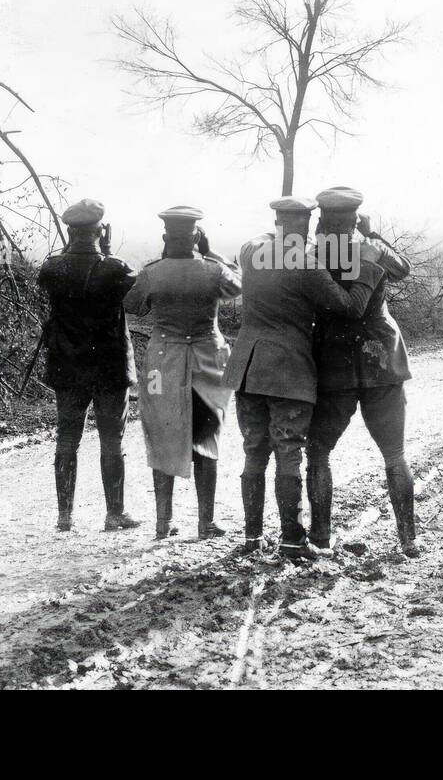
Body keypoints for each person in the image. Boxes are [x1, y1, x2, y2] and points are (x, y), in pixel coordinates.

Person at [222, 196, 385, 561]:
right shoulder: (307, 264)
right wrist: (369, 269)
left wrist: (280, 234)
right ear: (307, 226)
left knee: (254, 454)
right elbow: (349, 307)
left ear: (277, 222)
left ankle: (251, 538)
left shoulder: (253, 253)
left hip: (246, 369)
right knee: (289, 454)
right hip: (288, 372)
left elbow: (257, 242)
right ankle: (292, 540)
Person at [306, 187, 420, 558]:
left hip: (334, 359)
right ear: (356, 218)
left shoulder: (311, 255)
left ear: (322, 219)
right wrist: (372, 235)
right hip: (381, 358)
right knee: (394, 453)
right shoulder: (372, 249)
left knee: (319, 452)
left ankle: (321, 537)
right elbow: (404, 269)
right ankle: (408, 539)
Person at [123, 206, 242, 540]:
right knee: (206, 435)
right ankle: (206, 522)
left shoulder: (152, 273)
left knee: (163, 434)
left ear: (165, 236)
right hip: (208, 358)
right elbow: (238, 286)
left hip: (164, 361)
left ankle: (163, 523)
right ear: (196, 235)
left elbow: (132, 305)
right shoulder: (214, 270)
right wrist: (210, 251)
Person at [38, 199, 140, 533]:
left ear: (70, 230)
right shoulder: (117, 268)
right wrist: (106, 251)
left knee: (67, 440)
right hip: (109, 367)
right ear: (100, 229)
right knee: (112, 440)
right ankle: (115, 514)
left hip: (69, 366)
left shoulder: (52, 268)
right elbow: (140, 301)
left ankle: (65, 516)